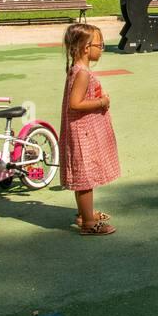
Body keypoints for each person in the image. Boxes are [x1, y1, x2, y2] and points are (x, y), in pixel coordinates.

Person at [60, 23, 120, 235]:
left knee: (83, 176)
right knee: (85, 178)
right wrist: (101, 102)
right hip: (82, 133)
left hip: (81, 131)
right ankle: (88, 223)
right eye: (99, 45)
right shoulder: (83, 73)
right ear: (86, 47)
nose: (102, 49)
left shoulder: (77, 70)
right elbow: (75, 104)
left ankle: (85, 213)